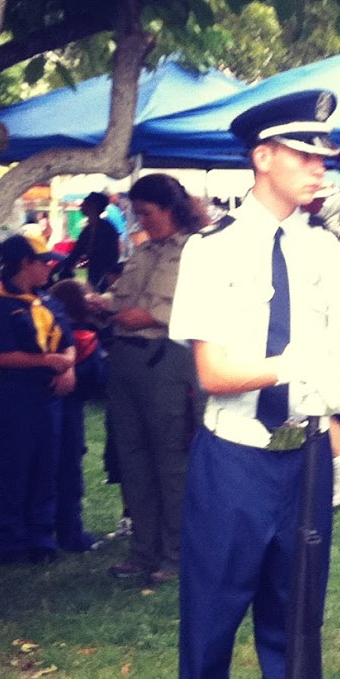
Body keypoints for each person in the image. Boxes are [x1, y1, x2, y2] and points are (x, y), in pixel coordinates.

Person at [168, 91, 340, 679]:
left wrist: (336, 429)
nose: (320, 168)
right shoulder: (212, 250)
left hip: (303, 456)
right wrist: (295, 362)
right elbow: (214, 372)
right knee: (213, 625)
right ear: (262, 158)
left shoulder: (329, 252)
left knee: (296, 623)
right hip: (236, 459)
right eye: (305, 154)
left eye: (323, 156)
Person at [88, 173, 206, 586]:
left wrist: (124, 314)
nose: (141, 221)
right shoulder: (143, 250)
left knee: (170, 462)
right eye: (137, 213)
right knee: (133, 459)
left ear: (171, 208)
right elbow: (124, 300)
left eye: (148, 213)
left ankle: (174, 556)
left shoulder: (197, 250)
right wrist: (101, 304)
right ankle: (142, 552)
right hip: (125, 358)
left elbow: (164, 312)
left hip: (165, 360)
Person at [0, 232, 74, 566]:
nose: (50, 268)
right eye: (45, 262)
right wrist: (46, 362)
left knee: (46, 466)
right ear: (25, 263)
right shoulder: (2, 307)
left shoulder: (48, 301)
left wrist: (68, 367)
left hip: (49, 397)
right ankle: (11, 538)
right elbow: (3, 356)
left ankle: (42, 537)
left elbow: (68, 340)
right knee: (15, 465)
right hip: (18, 396)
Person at [48, 278, 110, 553]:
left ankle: (39, 529)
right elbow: (97, 380)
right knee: (69, 471)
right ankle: (71, 533)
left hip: (42, 406)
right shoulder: (86, 339)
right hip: (70, 410)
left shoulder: (46, 333)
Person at [57, 191, 124, 291]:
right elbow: (77, 251)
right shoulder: (89, 229)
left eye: (85, 203)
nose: (81, 205)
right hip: (95, 273)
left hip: (104, 276)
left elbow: (108, 257)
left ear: (93, 206)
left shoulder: (106, 229)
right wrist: (66, 266)